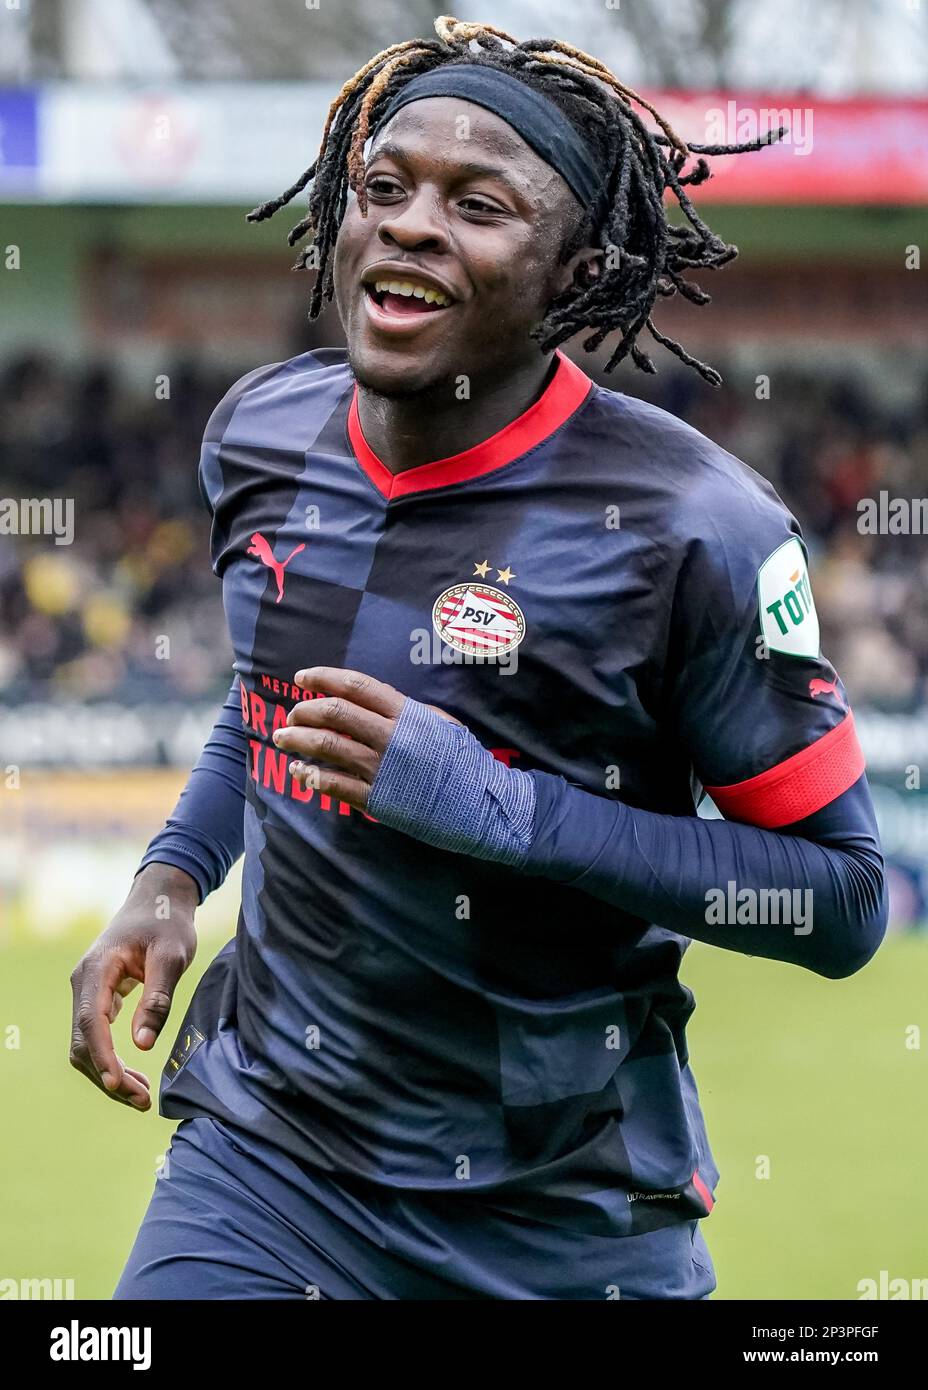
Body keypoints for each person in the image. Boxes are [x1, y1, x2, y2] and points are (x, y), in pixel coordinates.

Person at [69, 16, 886, 1300]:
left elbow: (839, 904)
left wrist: (500, 809)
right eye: (382, 188)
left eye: (477, 203)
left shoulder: (694, 528)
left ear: (574, 273)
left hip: (560, 1217)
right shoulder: (263, 435)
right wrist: (173, 873)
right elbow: (273, 702)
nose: (406, 222)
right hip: (271, 1165)